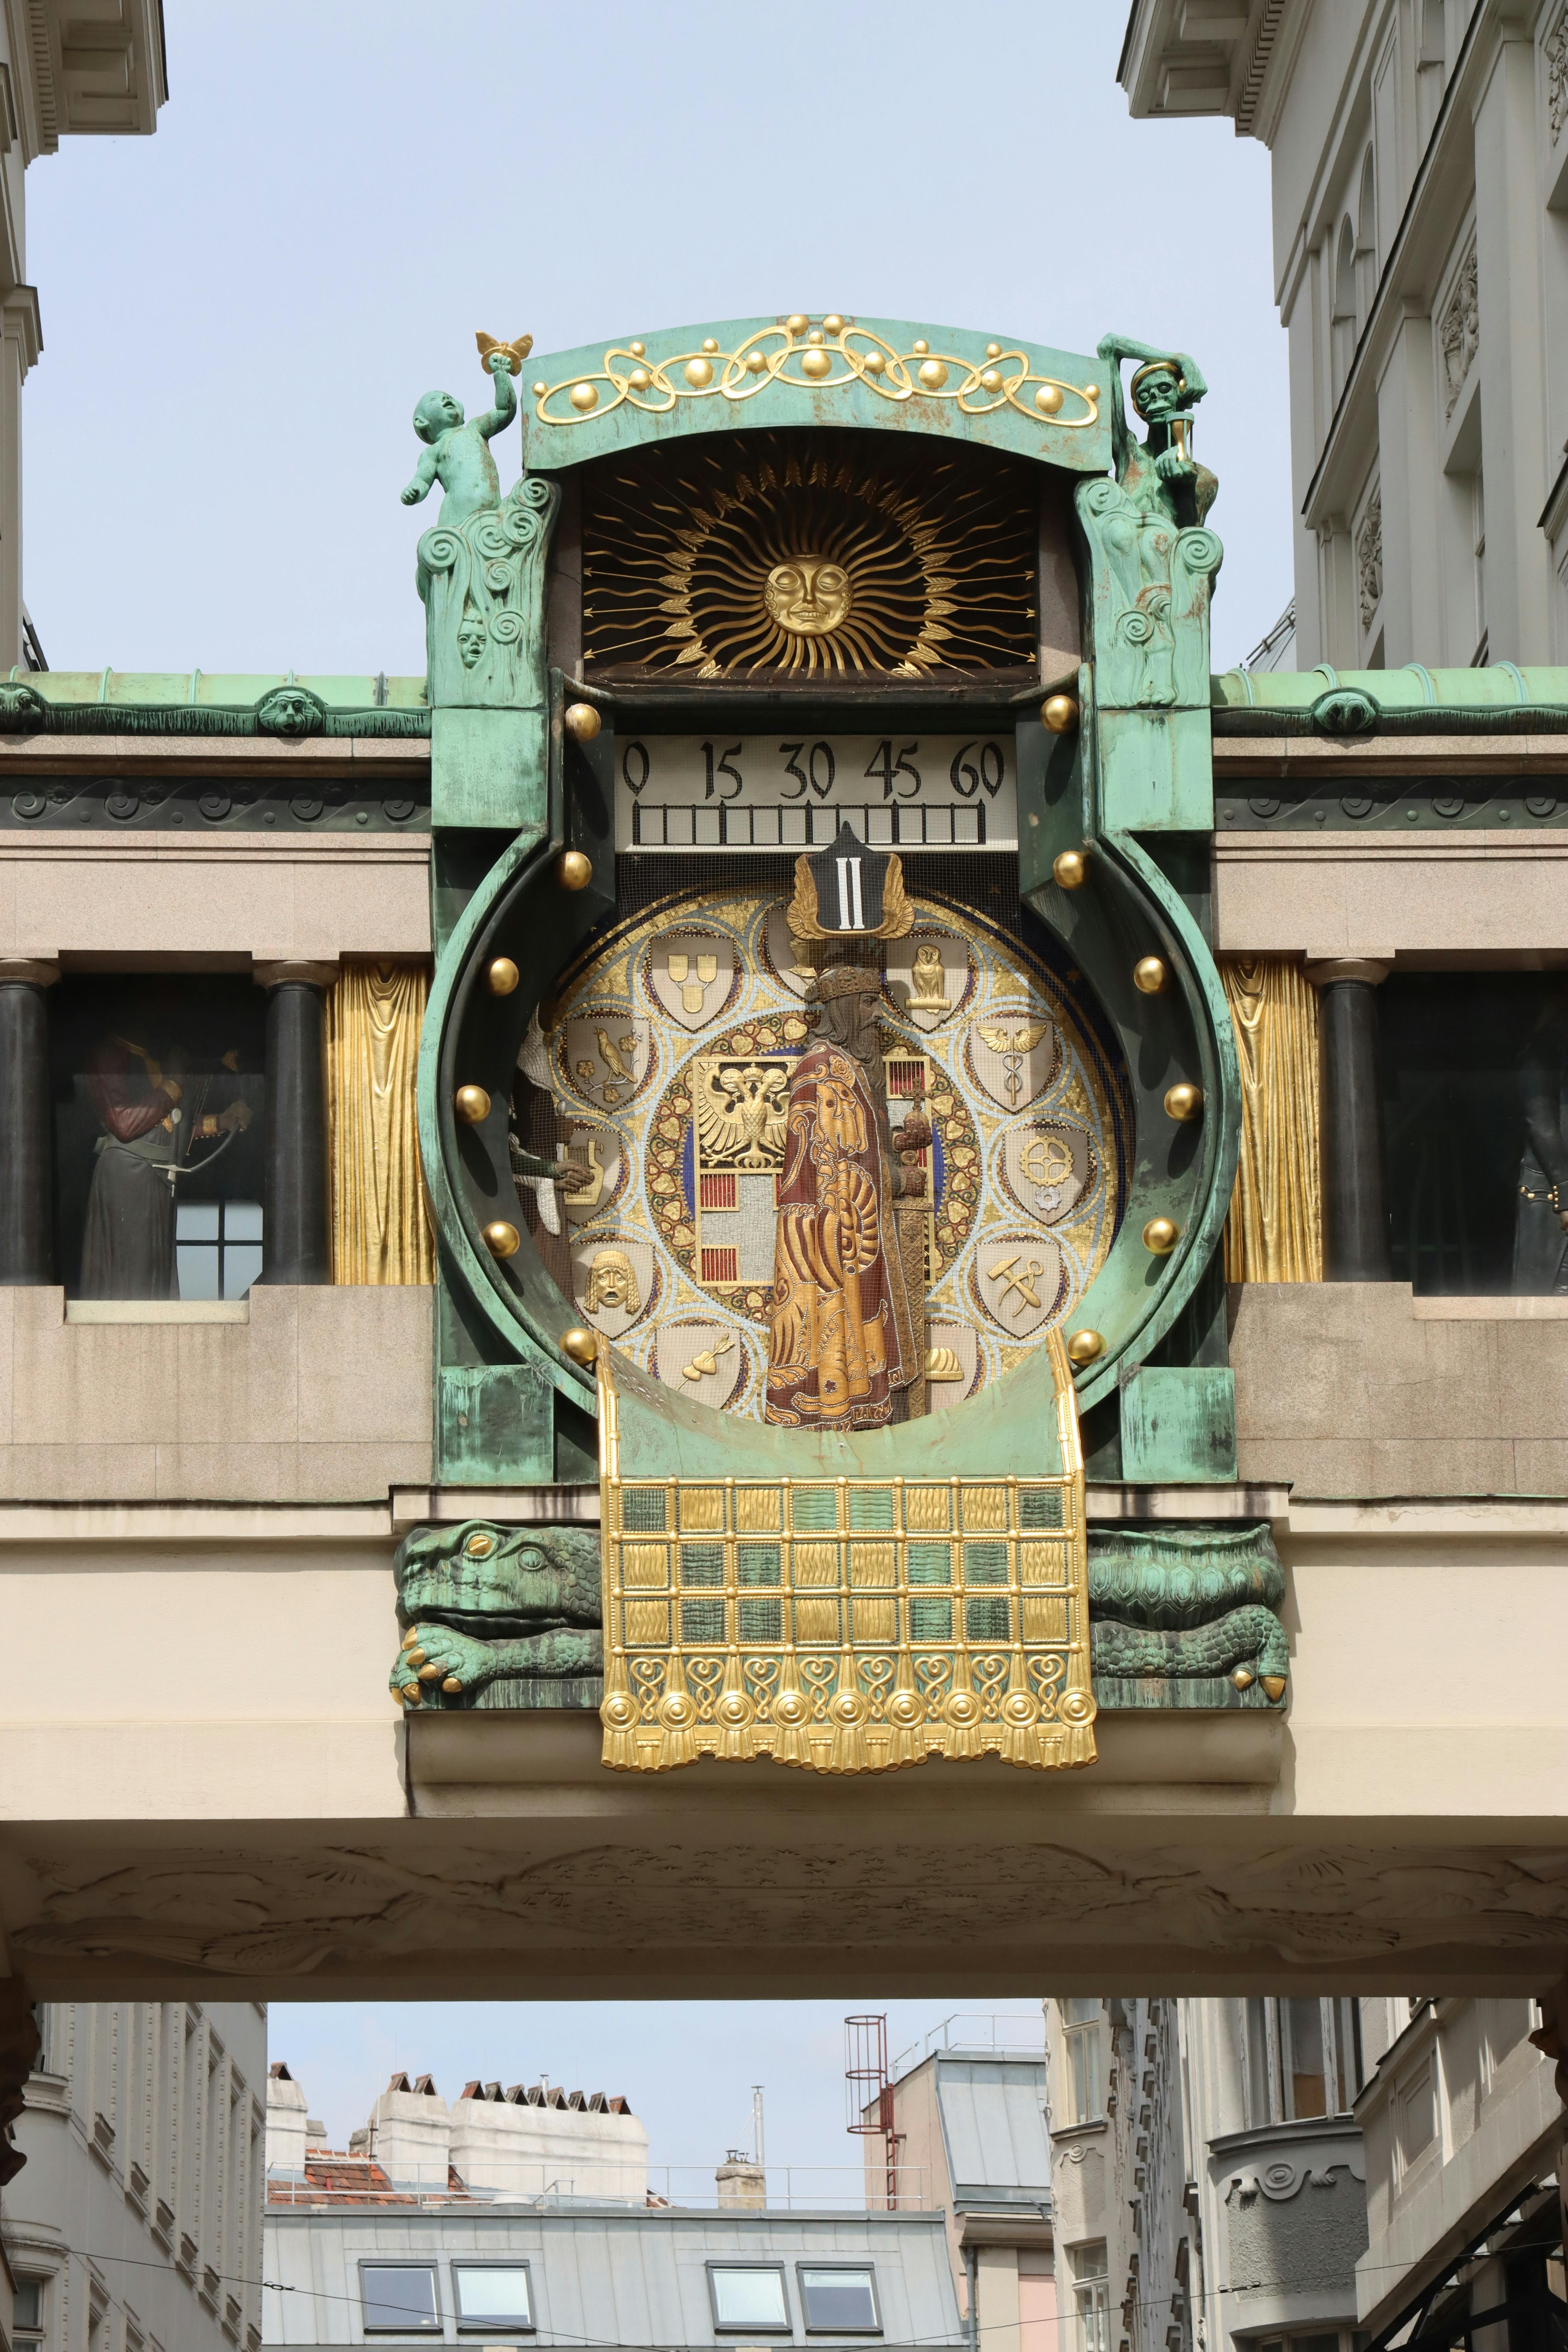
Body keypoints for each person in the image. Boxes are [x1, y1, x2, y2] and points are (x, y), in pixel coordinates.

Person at [765, 967, 927, 1429]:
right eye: (866, 1004)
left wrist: (899, 1144)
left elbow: (857, 1148)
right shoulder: (821, 1069)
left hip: (852, 1231)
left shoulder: (849, 1066)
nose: (877, 1015)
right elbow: (829, 1167)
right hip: (831, 1236)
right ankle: (838, 1406)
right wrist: (898, 1181)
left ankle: (863, 1405)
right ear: (841, 1010)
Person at [400, 350, 518, 527]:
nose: (446, 398)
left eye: (448, 396)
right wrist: (414, 490)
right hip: (456, 516)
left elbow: (505, 411)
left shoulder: (476, 428)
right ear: (421, 421)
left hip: (492, 513)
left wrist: (501, 374)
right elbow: (423, 479)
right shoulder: (433, 451)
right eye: (435, 400)